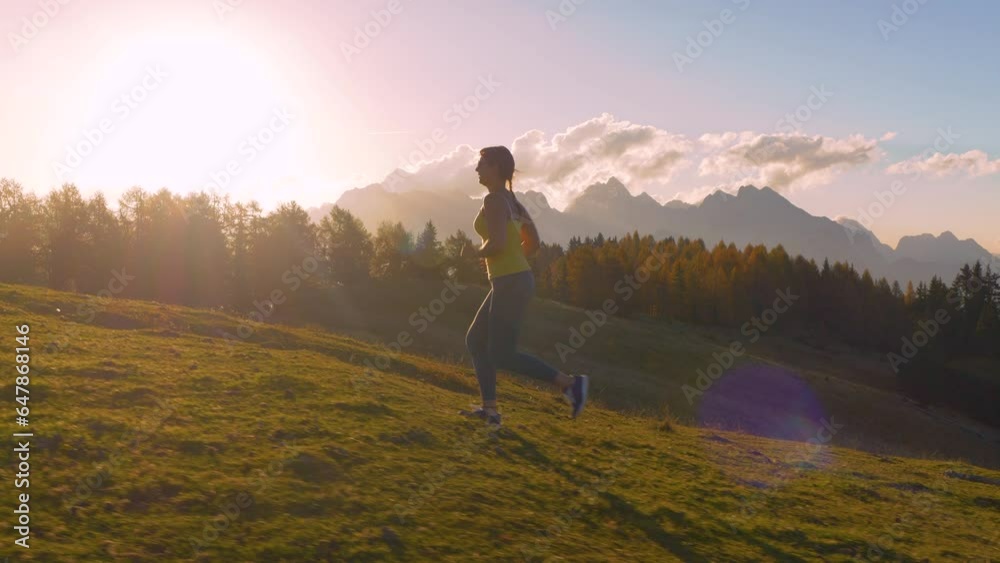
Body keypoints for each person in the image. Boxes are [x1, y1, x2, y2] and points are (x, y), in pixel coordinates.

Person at [461, 145, 588, 426]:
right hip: (514, 279)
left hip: (510, 281)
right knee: (476, 340)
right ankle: (490, 410)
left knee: (502, 353)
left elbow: (497, 243)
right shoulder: (513, 202)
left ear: (495, 167)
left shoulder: (494, 200)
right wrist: (509, 259)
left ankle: (570, 384)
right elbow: (533, 243)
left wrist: (475, 253)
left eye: (481, 163)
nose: (476, 169)